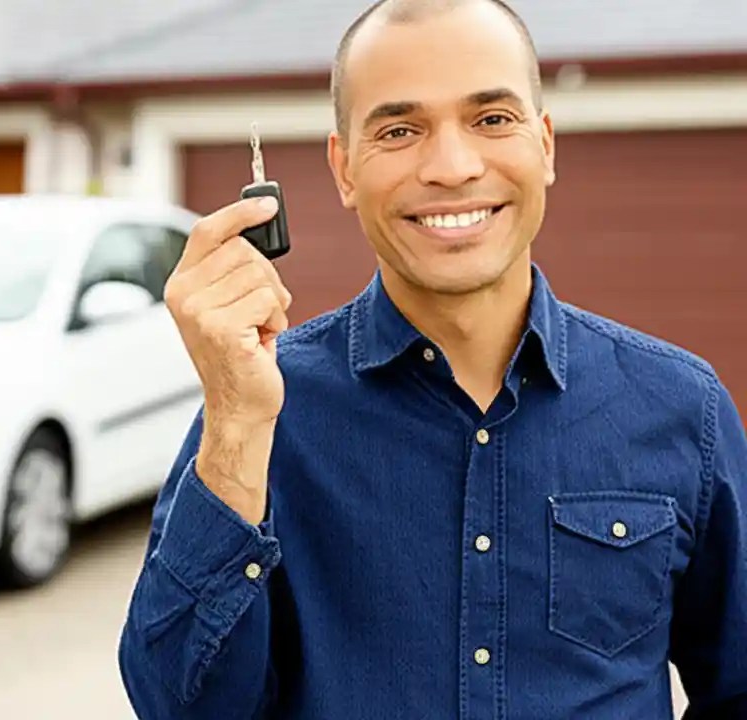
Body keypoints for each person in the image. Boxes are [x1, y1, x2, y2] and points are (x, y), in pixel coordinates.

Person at [116, 0, 747, 718]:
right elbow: (176, 706)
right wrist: (235, 426)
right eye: (399, 129)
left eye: (492, 119)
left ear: (545, 145)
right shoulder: (259, 411)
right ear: (344, 168)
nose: (451, 167)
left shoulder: (682, 410)